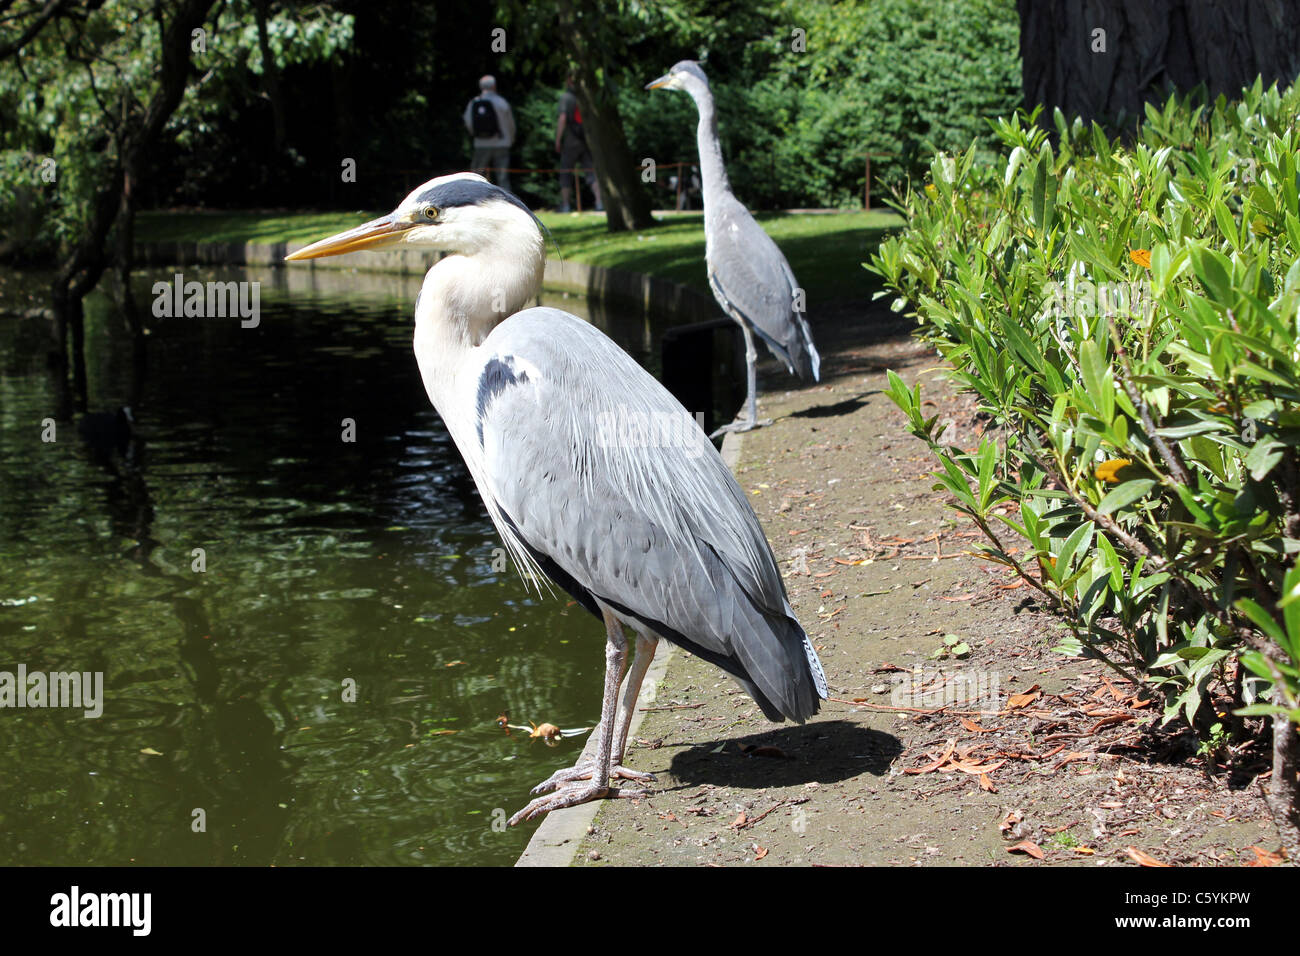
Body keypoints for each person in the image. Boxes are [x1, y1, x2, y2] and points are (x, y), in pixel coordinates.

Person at [555, 74, 603, 212]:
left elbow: (563, 118)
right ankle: (599, 203)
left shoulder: (566, 98)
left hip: (571, 141)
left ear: (569, 81)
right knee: (591, 171)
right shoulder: (587, 97)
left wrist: (558, 139)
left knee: (565, 172)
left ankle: (565, 205)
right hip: (587, 140)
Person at [463, 75, 516, 192]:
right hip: (502, 143)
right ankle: (507, 204)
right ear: (494, 86)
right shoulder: (502, 102)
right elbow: (510, 124)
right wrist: (510, 139)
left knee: (476, 177)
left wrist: (476, 135)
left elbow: (468, 122)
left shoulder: (474, 103)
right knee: (503, 178)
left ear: (481, 87)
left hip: (481, 144)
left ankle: (474, 200)